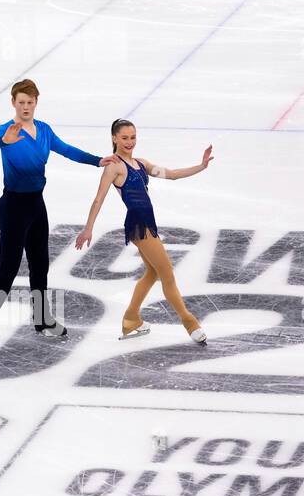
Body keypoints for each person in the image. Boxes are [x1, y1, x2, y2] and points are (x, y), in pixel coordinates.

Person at [0, 79, 118, 357]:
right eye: (21, 102)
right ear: (13, 102)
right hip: (13, 206)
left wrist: (98, 160)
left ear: (36, 102)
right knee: (8, 268)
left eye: (30, 102)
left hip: (36, 205)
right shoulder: (8, 130)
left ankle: (41, 318)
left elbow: (67, 150)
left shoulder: (44, 130)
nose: (25, 107)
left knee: (40, 264)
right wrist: (3, 141)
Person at [74, 119, 213, 344]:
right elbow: (99, 198)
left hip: (148, 222)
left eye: (133, 137)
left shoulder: (141, 163)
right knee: (167, 273)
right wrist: (88, 228)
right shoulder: (114, 166)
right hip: (139, 223)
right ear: (114, 139)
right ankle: (190, 322)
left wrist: (201, 166)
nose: (130, 142)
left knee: (153, 273)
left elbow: (173, 174)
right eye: (125, 138)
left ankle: (131, 320)